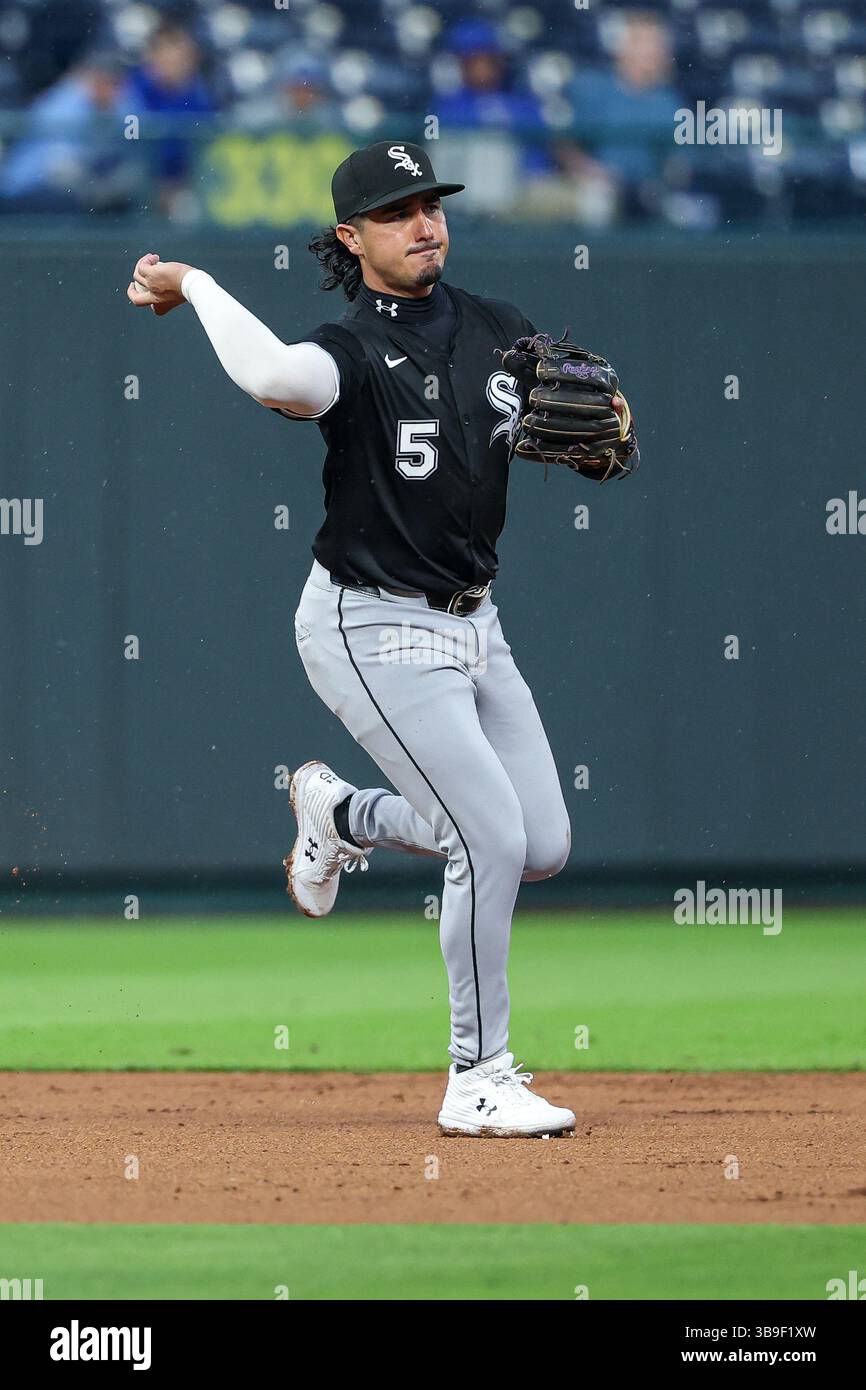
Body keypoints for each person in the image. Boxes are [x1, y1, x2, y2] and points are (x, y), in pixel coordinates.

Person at [126, 140, 575, 1139]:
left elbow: (565, 415)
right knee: (487, 838)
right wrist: (195, 282)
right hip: (368, 623)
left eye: (431, 205)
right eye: (396, 212)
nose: (424, 224)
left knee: (539, 843)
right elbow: (270, 374)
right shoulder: (349, 348)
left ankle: (342, 813)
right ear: (351, 236)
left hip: (474, 622)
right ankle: (477, 1077)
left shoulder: (499, 326)